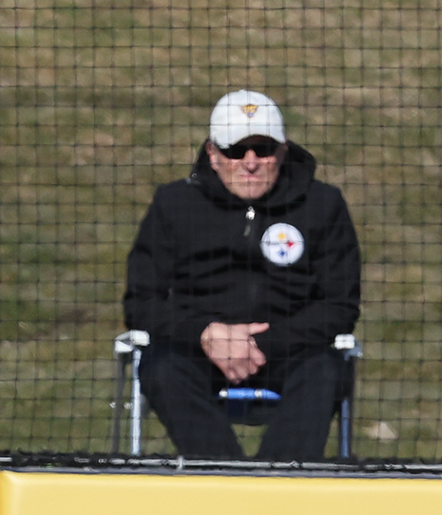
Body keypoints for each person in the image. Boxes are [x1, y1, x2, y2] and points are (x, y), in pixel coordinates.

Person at [123, 90, 361, 460]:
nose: (250, 163)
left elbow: (340, 306)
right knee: (162, 367)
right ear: (213, 155)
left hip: (289, 349)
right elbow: (141, 303)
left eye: (262, 150)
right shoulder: (173, 205)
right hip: (199, 349)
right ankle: (223, 477)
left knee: (327, 370)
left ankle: (279, 484)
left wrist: (263, 344)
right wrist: (205, 334)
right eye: (235, 151)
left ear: (282, 151)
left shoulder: (323, 205)